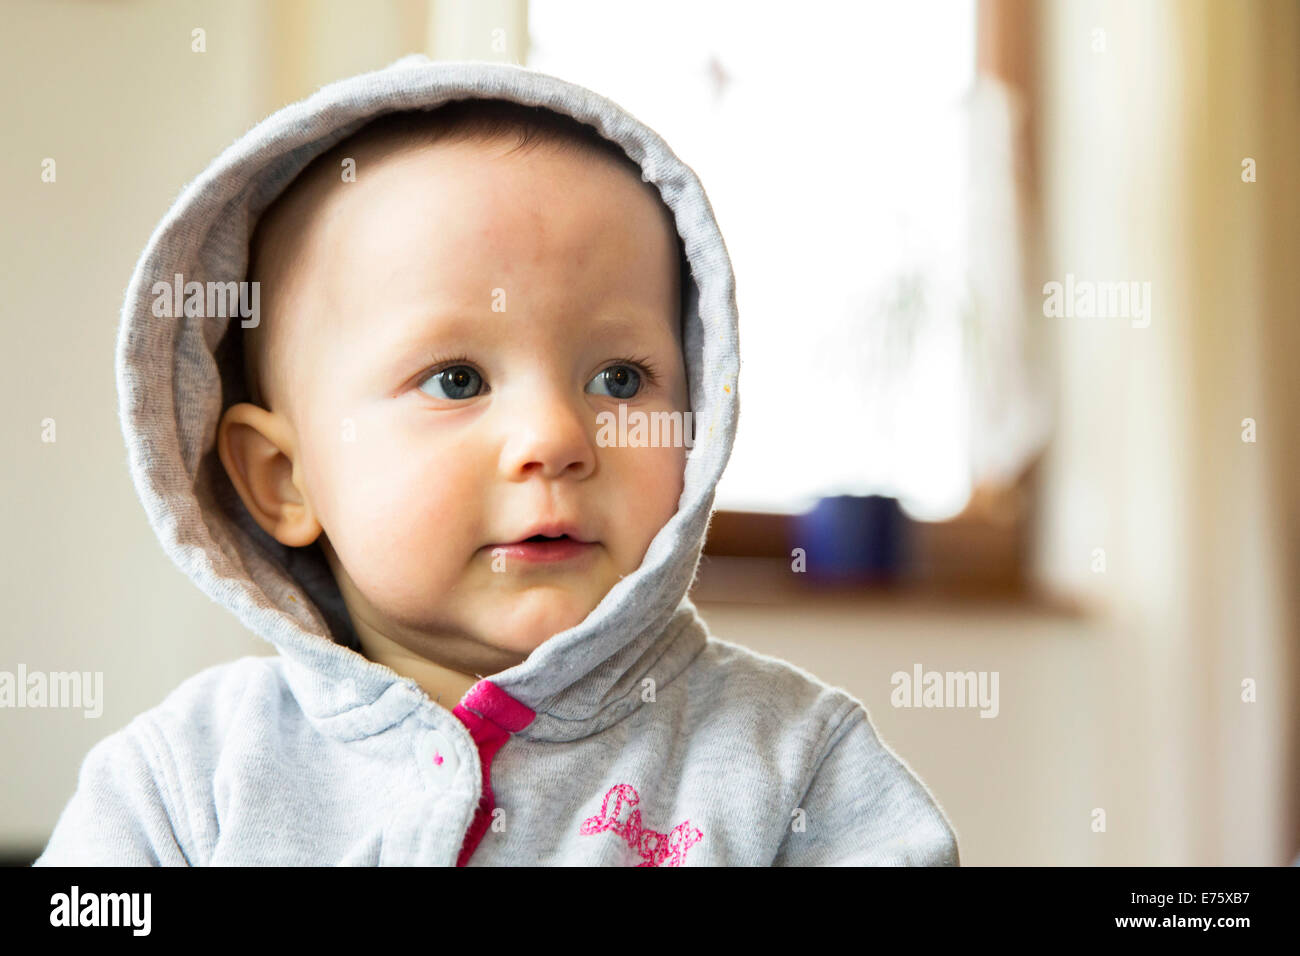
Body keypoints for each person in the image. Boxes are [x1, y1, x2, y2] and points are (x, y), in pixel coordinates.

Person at [35, 55, 959, 866]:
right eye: (456, 379)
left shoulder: (795, 764)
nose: (555, 437)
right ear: (285, 478)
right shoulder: (181, 784)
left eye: (620, 377)